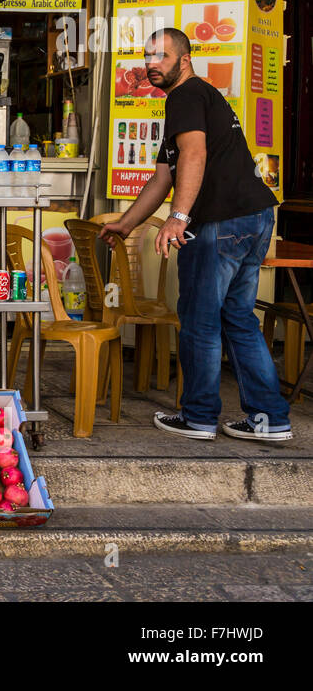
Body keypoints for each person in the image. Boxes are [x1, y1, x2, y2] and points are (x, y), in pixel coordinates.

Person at [100, 27, 291, 442]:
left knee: (200, 321)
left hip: (222, 223)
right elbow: (163, 177)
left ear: (183, 61)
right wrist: (127, 223)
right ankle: (269, 419)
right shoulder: (196, 99)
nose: (152, 65)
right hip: (255, 217)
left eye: (161, 58)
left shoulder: (186, 96)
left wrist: (179, 218)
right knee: (238, 317)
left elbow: (194, 154)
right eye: (147, 58)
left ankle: (200, 417)